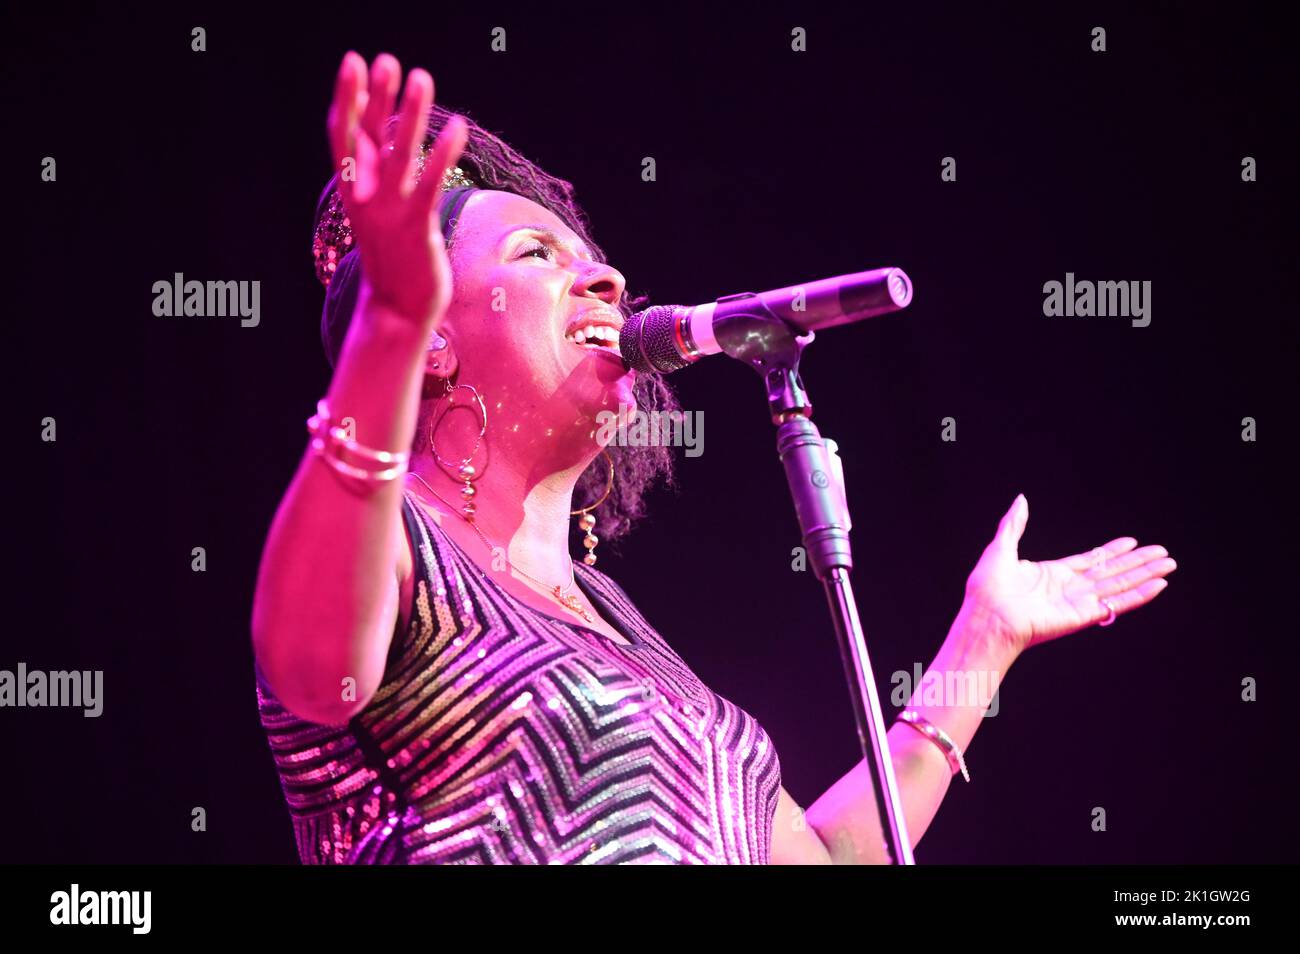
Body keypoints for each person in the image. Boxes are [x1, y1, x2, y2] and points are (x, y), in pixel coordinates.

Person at [250, 51, 1177, 864]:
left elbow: (826, 859)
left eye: (592, 257)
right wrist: (388, 336)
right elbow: (311, 658)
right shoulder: (397, 544)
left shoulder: (616, 618)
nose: (606, 278)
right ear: (436, 336)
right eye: (537, 252)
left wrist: (983, 641)